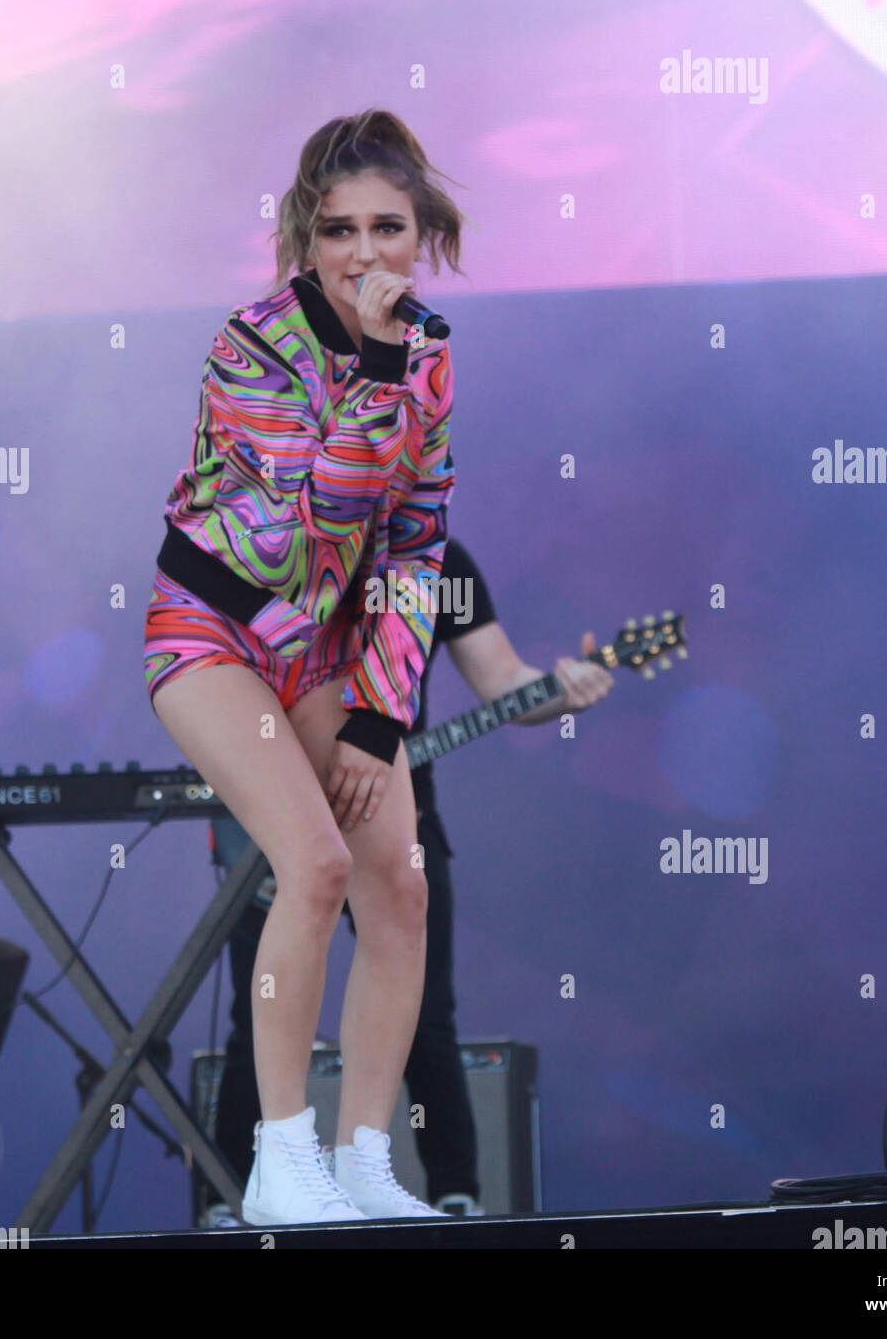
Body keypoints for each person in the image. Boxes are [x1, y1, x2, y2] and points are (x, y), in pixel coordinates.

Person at [144, 109, 468, 1225]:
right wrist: (376, 366)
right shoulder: (251, 343)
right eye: (340, 232)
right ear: (305, 240)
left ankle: (366, 1160)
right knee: (317, 865)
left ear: (422, 235)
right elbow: (302, 539)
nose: (366, 253)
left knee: (403, 889)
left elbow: (414, 543)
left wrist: (381, 717)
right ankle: (282, 1161)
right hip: (216, 629)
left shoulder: (426, 360)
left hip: (329, 647)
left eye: (388, 227)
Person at [202, 536, 615, 1224]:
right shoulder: (277, 546)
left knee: (426, 1011)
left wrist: (564, 690)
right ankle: (235, 1193)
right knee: (260, 1013)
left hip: (396, 804)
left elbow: (504, 681)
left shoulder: (438, 562)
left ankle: (449, 1190)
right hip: (282, 806)